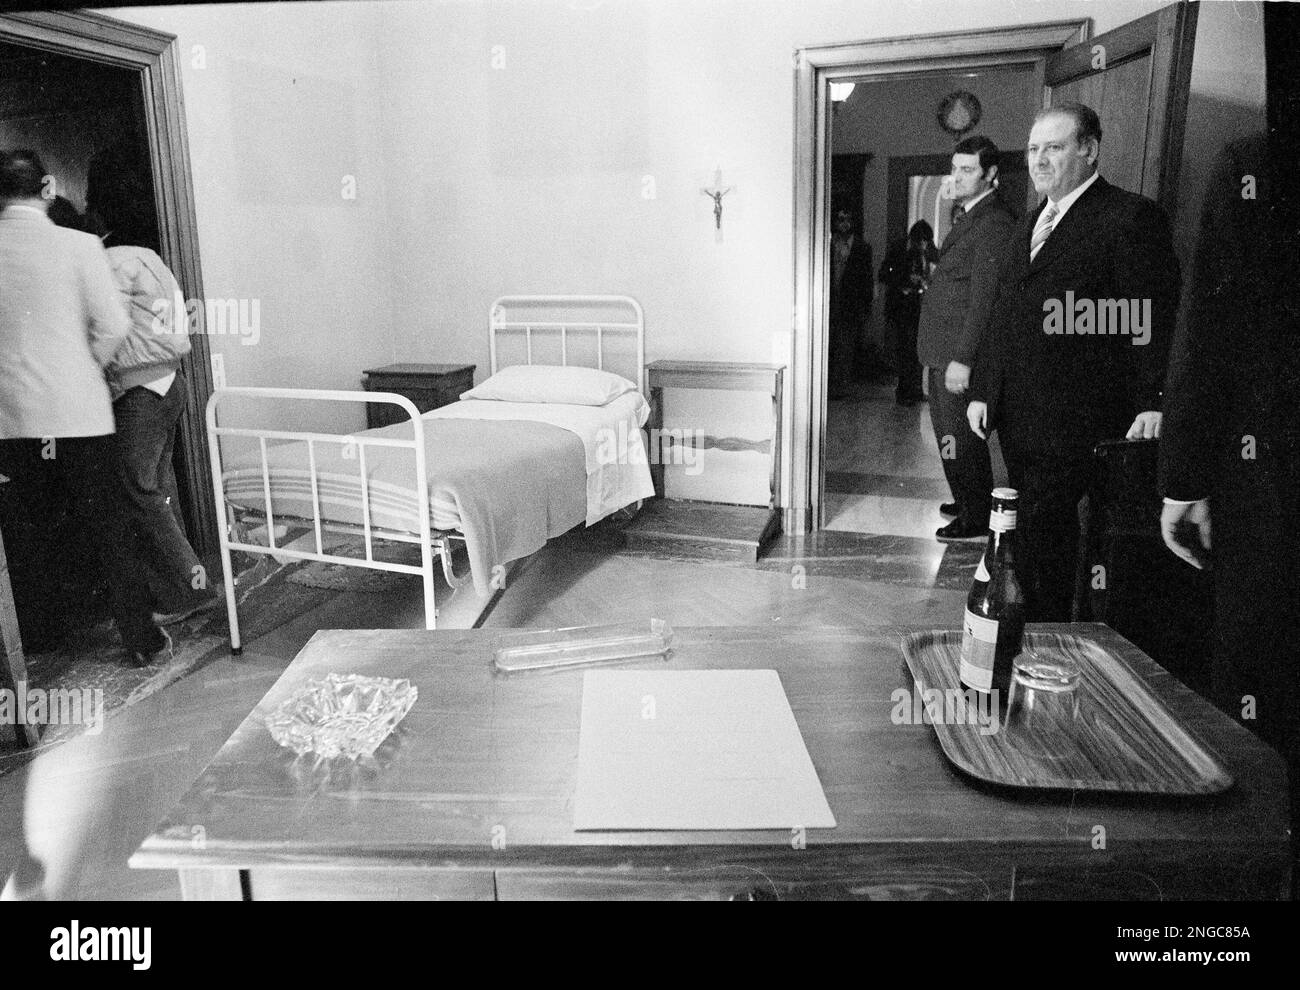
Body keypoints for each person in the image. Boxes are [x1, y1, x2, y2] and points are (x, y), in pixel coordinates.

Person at [966, 104, 1180, 621]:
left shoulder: (1129, 217)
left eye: (1054, 148)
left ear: (1089, 149)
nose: (1039, 159)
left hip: (1080, 420)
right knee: (1030, 532)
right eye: (1034, 149)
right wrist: (984, 390)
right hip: (1019, 419)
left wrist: (1153, 400)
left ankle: (1049, 636)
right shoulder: (1031, 220)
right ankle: (1031, 626)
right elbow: (1005, 311)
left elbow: (1150, 315)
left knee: (1056, 538)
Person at [0, 149, 169, 666]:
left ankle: (46, 638)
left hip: (11, 420)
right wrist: (84, 367)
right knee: (108, 525)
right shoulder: (78, 246)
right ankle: (139, 640)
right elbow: (115, 326)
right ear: (47, 188)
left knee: (28, 531)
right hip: (79, 413)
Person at [83, 168, 217, 626]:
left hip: (140, 388)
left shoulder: (110, 262)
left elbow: (108, 325)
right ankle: (182, 592)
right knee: (159, 489)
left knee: (140, 489)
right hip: (170, 384)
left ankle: (191, 586)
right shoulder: (150, 257)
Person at [916, 135, 1016, 540]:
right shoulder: (971, 215)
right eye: (954, 168)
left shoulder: (994, 223)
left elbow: (984, 300)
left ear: (990, 174)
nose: (956, 176)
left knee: (959, 435)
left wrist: (964, 358)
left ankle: (975, 515)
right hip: (942, 351)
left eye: (967, 169)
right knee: (948, 433)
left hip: (957, 354)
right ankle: (965, 497)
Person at [879, 220, 936, 406]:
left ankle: (916, 389)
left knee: (917, 351)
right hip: (902, 308)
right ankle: (904, 391)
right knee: (905, 351)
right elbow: (884, 274)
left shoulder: (926, 252)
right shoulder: (899, 251)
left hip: (918, 307)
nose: (923, 246)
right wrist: (905, 281)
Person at [826, 205, 875, 399]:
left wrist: (866, 307)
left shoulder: (862, 248)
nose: (843, 223)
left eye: (847, 219)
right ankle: (829, 386)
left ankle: (843, 386)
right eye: (840, 219)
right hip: (828, 301)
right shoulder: (827, 244)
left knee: (846, 347)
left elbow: (867, 279)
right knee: (829, 345)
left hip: (851, 304)